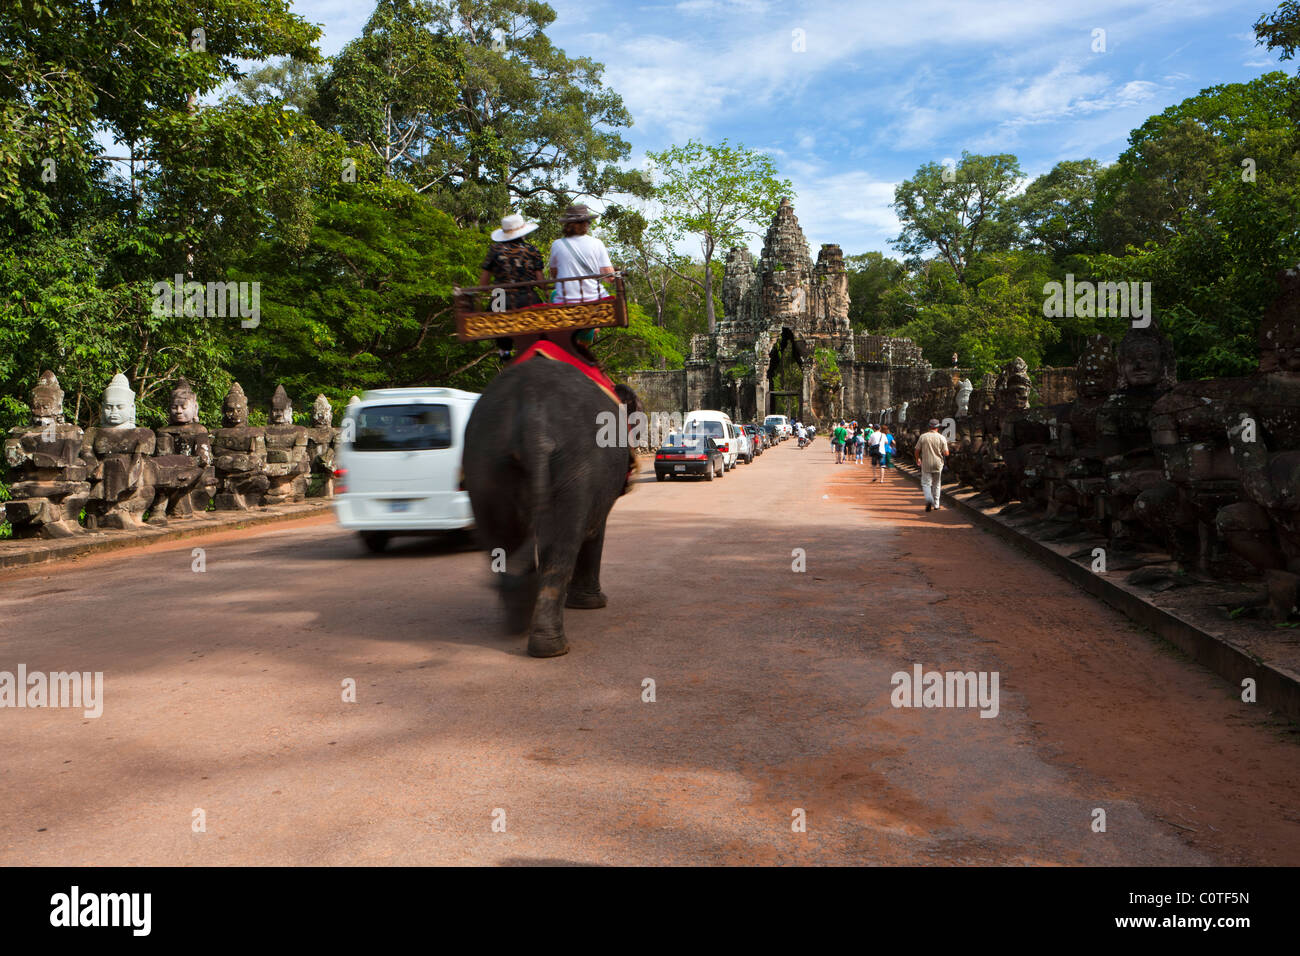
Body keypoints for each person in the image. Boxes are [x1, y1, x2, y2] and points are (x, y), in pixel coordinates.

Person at [480, 213, 545, 359]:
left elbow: (483, 283)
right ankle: (537, 347)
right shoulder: (532, 250)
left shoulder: (494, 250)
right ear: (523, 232)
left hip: (500, 298)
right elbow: (541, 282)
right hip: (527, 298)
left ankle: (504, 349)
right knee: (541, 320)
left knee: (498, 316)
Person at [915, 419, 950, 512]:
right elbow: (946, 453)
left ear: (929, 427)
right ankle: (937, 504)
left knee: (926, 483)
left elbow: (917, 450)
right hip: (938, 464)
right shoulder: (942, 438)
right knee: (937, 484)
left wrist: (918, 458)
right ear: (937, 428)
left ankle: (929, 499)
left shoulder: (923, 437)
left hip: (926, 463)